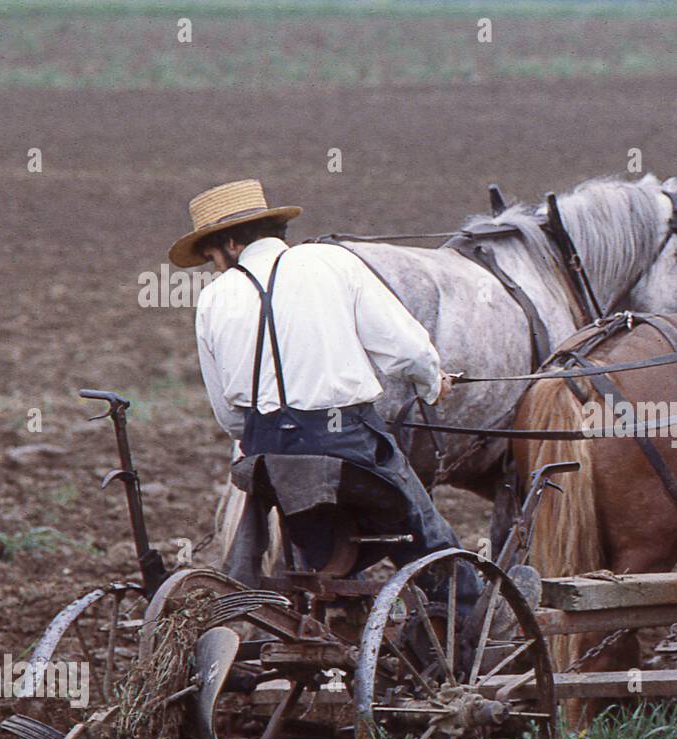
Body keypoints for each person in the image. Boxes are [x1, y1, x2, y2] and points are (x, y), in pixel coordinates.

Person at [171, 178, 477, 613]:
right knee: (428, 537)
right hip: (345, 442)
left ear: (233, 245)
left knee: (324, 549)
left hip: (268, 456)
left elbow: (229, 415)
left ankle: (347, 618)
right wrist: (432, 384)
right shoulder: (332, 263)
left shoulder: (214, 298)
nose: (213, 267)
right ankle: (470, 621)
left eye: (210, 256)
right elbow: (407, 350)